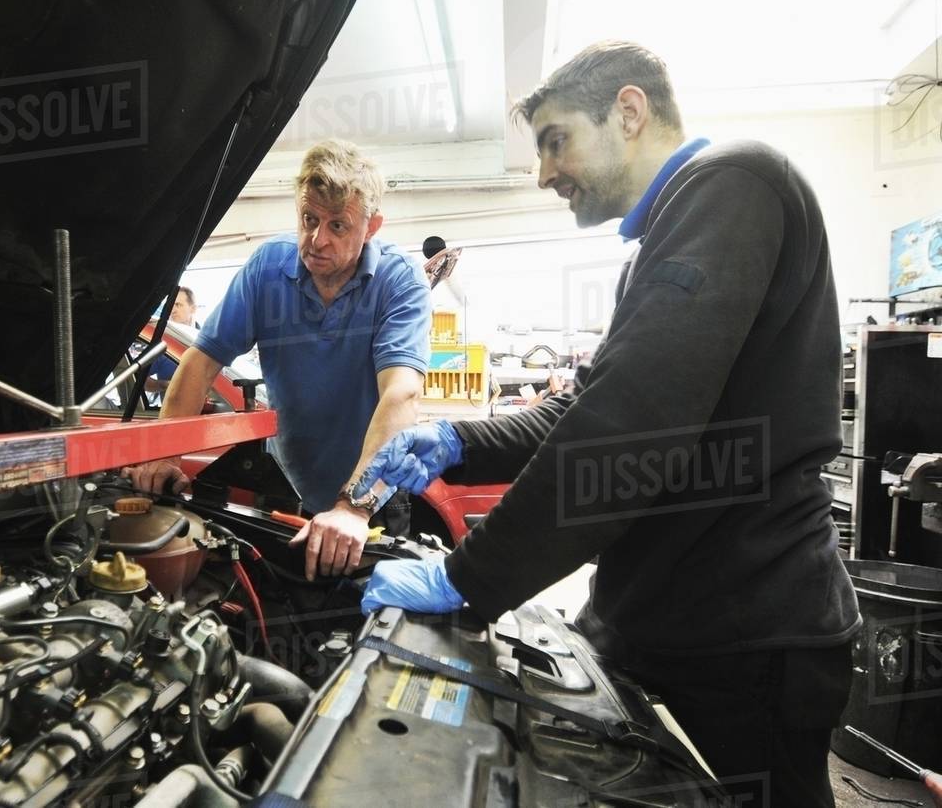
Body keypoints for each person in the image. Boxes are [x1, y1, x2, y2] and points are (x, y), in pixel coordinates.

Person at [358, 42, 859, 808]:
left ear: (629, 111)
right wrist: (459, 442)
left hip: (746, 632)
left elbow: (634, 420)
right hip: (657, 616)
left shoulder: (732, 182)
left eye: (555, 141)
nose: (543, 173)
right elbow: (590, 402)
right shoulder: (660, 242)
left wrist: (469, 578)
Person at [125, 139, 431, 581]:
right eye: (309, 219)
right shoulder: (268, 269)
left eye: (338, 226)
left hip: (371, 496)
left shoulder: (398, 281)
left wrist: (352, 507)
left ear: (372, 227)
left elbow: (402, 393)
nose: (317, 240)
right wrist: (166, 455)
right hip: (286, 486)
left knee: (364, 610)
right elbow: (201, 360)